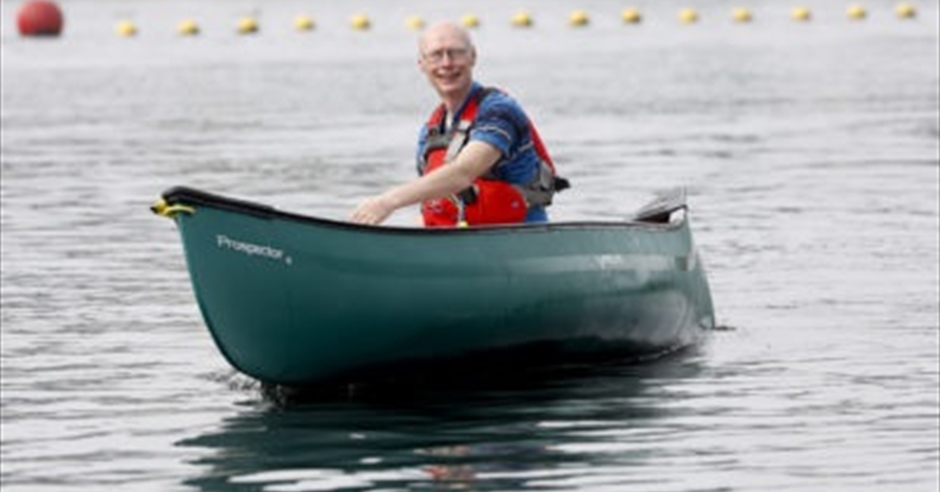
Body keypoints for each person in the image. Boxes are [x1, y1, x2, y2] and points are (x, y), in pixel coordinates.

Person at [350, 21, 567, 227]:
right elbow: (430, 209)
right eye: (436, 55)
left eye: (456, 53)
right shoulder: (430, 131)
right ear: (421, 64)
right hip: (458, 242)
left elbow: (463, 172)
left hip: (516, 240)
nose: (446, 63)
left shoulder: (499, 111)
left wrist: (386, 202)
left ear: (473, 56)